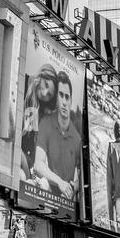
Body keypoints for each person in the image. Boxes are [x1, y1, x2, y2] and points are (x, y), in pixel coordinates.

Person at [34, 72, 84, 205]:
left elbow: (81, 178)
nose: (64, 102)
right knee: (42, 183)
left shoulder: (77, 138)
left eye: (67, 97)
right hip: (49, 192)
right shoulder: (46, 123)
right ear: (56, 98)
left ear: (71, 100)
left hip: (67, 200)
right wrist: (60, 182)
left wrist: (73, 187)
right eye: (61, 96)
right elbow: (38, 164)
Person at [19, 63, 58, 181]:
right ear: (41, 75)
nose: (45, 93)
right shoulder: (22, 82)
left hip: (21, 160)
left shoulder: (38, 113)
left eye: (49, 94)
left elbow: (28, 147)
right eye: (46, 84)